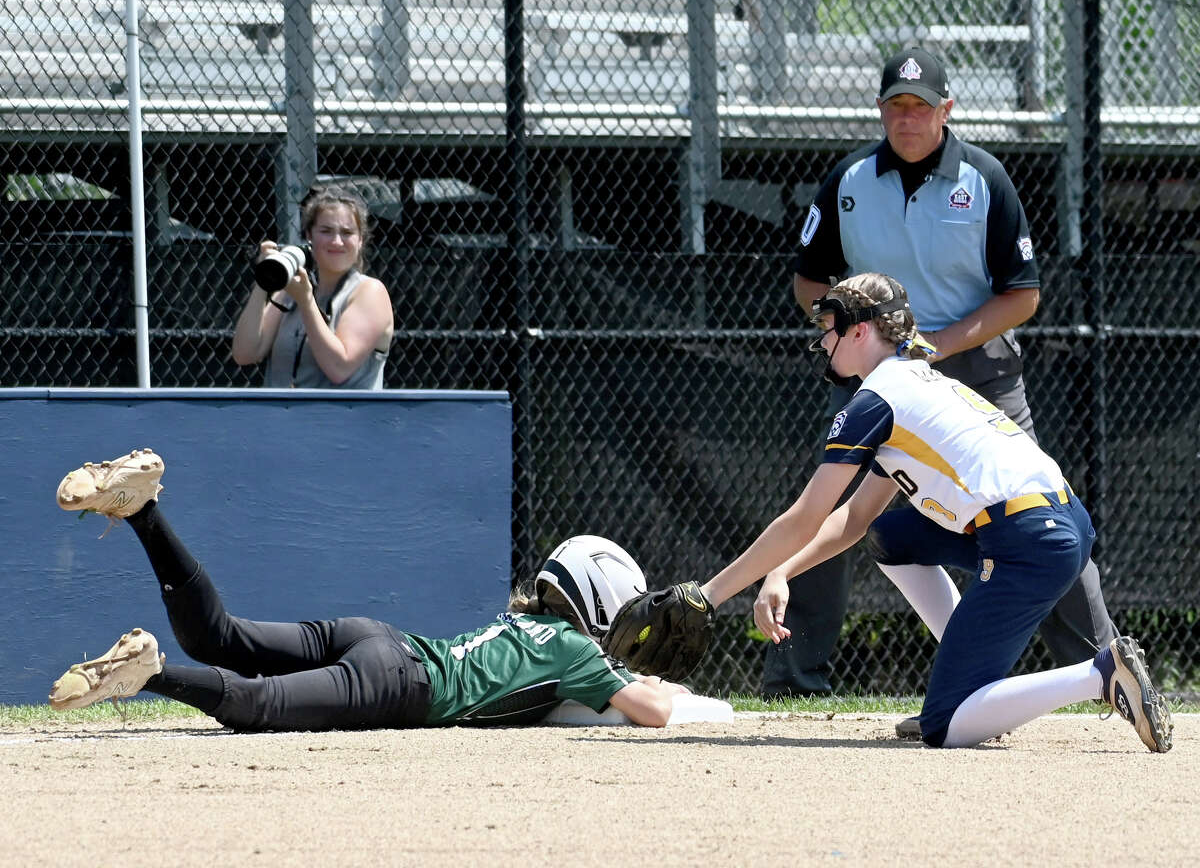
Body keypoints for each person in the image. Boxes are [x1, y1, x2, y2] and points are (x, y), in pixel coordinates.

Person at [768, 46, 1117, 712]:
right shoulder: (847, 180)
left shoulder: (985, 178)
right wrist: (845, 326)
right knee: (831, 508)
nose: (907, 120)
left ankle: (1104, 668)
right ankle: (795, 675)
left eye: (921, 107)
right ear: (880, 111)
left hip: (978, 370)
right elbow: (808, 279)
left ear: (946, 110)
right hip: (877, 369)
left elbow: (1023, 295)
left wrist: (936, 346)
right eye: (896, 106)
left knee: (1038, 505)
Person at [697, 273, 1171, 750]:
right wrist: (782, 571)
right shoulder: (912, 381)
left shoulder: (876, 399)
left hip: (1030, 539)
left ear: (860, 330)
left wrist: (709, 595)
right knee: (893, 535)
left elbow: (806, 515)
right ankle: (976, 690)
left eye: (829, 325)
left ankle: (1099, 675)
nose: (822, 340)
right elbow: (855, 521)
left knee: (943, 727)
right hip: (1054, 522)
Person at [48, 450, 688, 731]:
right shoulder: (580, 653)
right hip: (403, 685)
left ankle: (143, 513)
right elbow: (653, 714)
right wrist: (654, 684)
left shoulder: (525, 626)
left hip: (376, 637)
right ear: (601, 605)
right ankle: (150, 674)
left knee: (220, 637)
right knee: (260, 707)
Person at [231, 187, 394, 389]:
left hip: (344, 419)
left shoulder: (370, 292)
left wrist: (307, 303)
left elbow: (339, 368)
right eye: (326, 231)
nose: (336, 241)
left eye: (347, 233)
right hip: (281, 418)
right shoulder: (290, 293)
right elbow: (244, 353)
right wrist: (264, 280)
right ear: (309, 235)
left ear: (360, 240)